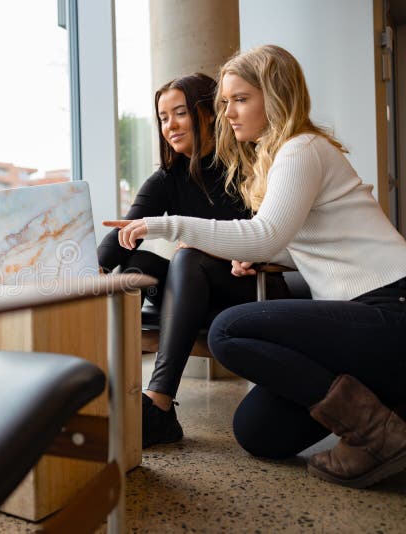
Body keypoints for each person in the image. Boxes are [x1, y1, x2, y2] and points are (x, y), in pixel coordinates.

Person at [104, 44, 406, 488]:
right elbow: (303, 244)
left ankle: (379, 434)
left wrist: (166, 226)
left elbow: (265, 232)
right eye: (225, 102)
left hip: (390, 305)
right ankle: (391, 398)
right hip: (356, 312)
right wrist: (264, 255)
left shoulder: (302, 148)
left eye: (240, 99)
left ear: (276, 96)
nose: (227, 113)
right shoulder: (280, 156)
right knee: (258, 433)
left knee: (228, 330)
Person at [97, 73, 289, 448]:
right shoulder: (168, 178)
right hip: (195, 292)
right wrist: (92, 268)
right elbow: (124, 235)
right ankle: (113, 390)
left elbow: (269, 234)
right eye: (163, 118)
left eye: (180, 113)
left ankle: (159, 404)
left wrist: (222, 251)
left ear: (208, 113)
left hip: (253, 286)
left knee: (187, 259)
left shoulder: (250, 162)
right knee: (138, 265)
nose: (170, 125)